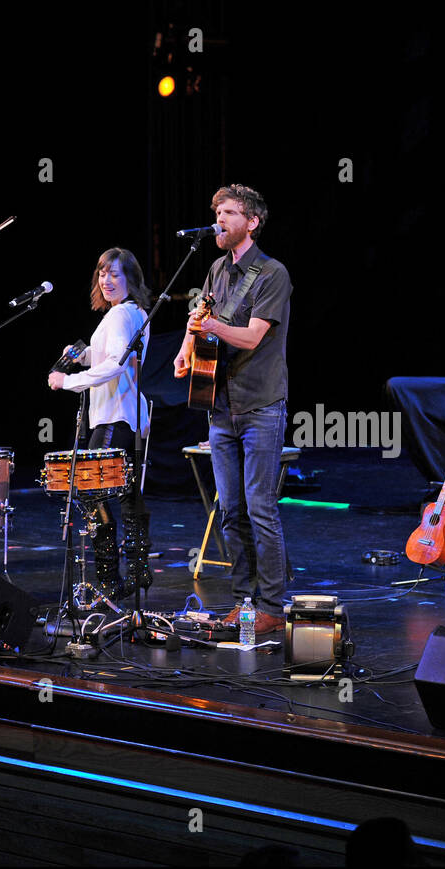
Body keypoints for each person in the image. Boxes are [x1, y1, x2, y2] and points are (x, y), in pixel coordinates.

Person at [172, 184, 292, 635]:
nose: (218, 219)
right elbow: (199, 318)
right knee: (231, 510)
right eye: (215, 212)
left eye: (227, 212)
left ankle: (274, 607)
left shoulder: (271, 273)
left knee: (261, 507)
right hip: (220, 406)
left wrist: (213, 326)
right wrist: (187, 349)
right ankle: (245, 600)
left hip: (260, 404)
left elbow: (252, 336)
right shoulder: (216, 270)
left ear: (251, 221)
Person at [48, 248, 153, 599]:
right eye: (102, 273)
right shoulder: (132, 312)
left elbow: (117, 365)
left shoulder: (121, 315)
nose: (106, 281)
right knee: (125, 495)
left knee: (91, 493)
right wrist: (85, 355)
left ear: (130, 279)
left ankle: (111, 581)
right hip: (126, 417)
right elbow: (113, 356)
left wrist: (70, 381)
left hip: (113, 417)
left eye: (115, 274)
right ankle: (137, 573)